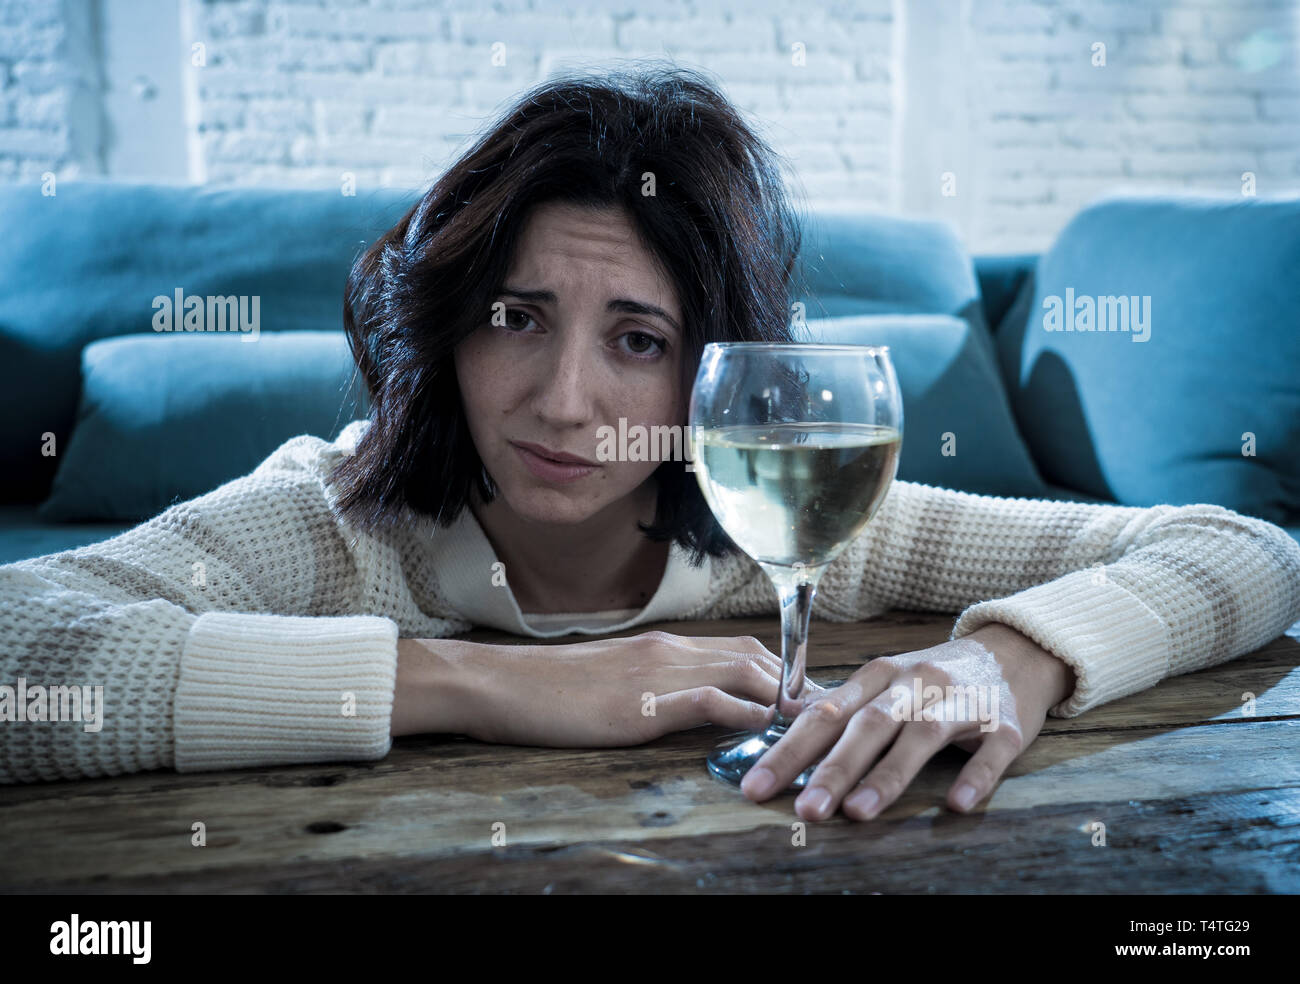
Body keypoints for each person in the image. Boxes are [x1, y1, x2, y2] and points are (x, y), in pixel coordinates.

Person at [2, 65, 1298, 829]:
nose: (565, 402)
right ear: (445, 334)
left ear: (714, 366)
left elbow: (1246, 552)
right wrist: (483, 683)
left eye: (636, 338)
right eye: (516, 318)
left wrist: (1002, 661)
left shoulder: (800, 520)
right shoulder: (330, 522)